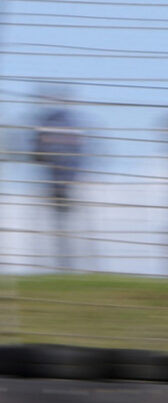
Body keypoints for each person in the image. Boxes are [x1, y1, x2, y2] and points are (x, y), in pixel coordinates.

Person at [30, 89, 87, 270]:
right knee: (66, 226)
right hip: (70, 182)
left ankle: (62, 266)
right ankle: (67, 267)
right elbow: (81, 153)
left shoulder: (46, 123)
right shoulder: (73, 124)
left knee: (58, 226)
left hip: (56, 182)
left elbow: (37, 154)